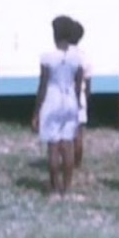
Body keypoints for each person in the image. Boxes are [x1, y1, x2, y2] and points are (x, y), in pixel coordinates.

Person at [32, 16, 85, 197]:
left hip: (53, 97)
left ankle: (54, 186)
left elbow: (43, 85)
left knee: (53, 146)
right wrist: (77, 104)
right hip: (70, 97)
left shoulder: (47, 57)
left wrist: (36, 111)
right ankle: (67, 187)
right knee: (68, 144)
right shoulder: (77, 58)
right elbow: (78, 84)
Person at [72, 21, 92, 171]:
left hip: (62, 96)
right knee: (78, 133)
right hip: (80, 97)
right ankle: (77, 164)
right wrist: (86, 98)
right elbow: (88, 81)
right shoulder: (84, 57)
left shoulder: (59, 56)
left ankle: (63, 162)